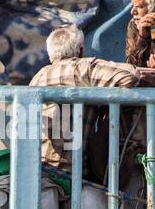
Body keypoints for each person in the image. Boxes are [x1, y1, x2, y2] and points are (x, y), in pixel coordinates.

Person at [31, 25, 137, 172]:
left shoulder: (38, 76)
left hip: (36, 167)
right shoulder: (82, 68)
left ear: (51, 53)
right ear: (80, 50)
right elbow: (130, 76)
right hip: (71, 171)